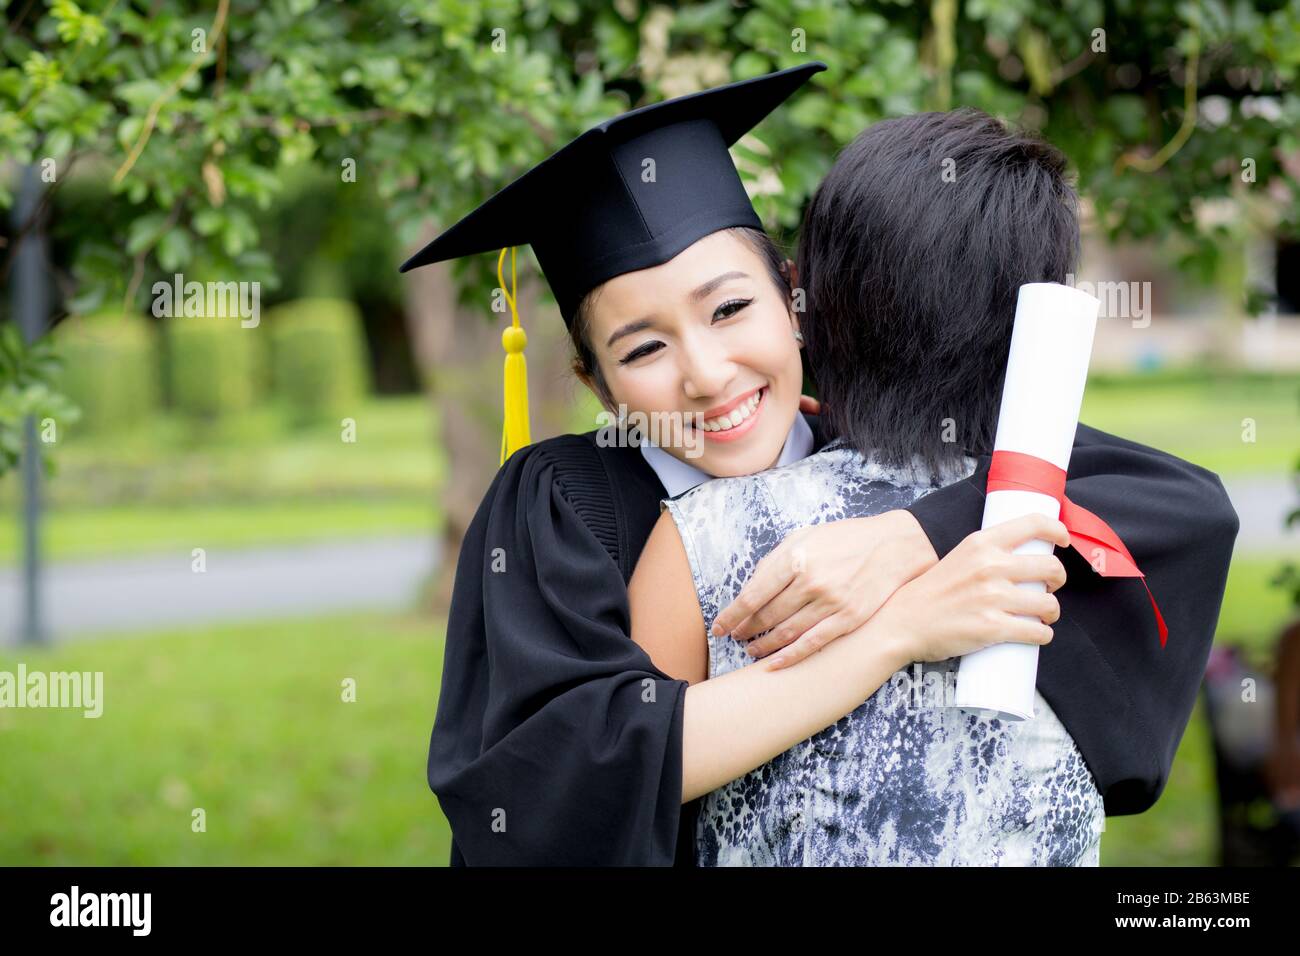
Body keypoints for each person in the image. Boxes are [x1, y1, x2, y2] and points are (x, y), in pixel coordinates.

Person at [400, 67, 1239, 866]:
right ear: (596, 383)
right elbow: (560, 783)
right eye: (644, 347)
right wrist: (895, 632)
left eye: (731, 308)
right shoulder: (562, 503)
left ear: (795, 298)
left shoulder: (887, 434)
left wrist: (913, 538)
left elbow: (1169, 498)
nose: (707, 373)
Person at [630, 109, 1122, 865]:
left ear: (807, 300)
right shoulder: (1089, 534)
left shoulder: (704, 535)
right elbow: (1133, 771)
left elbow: (636, 799)